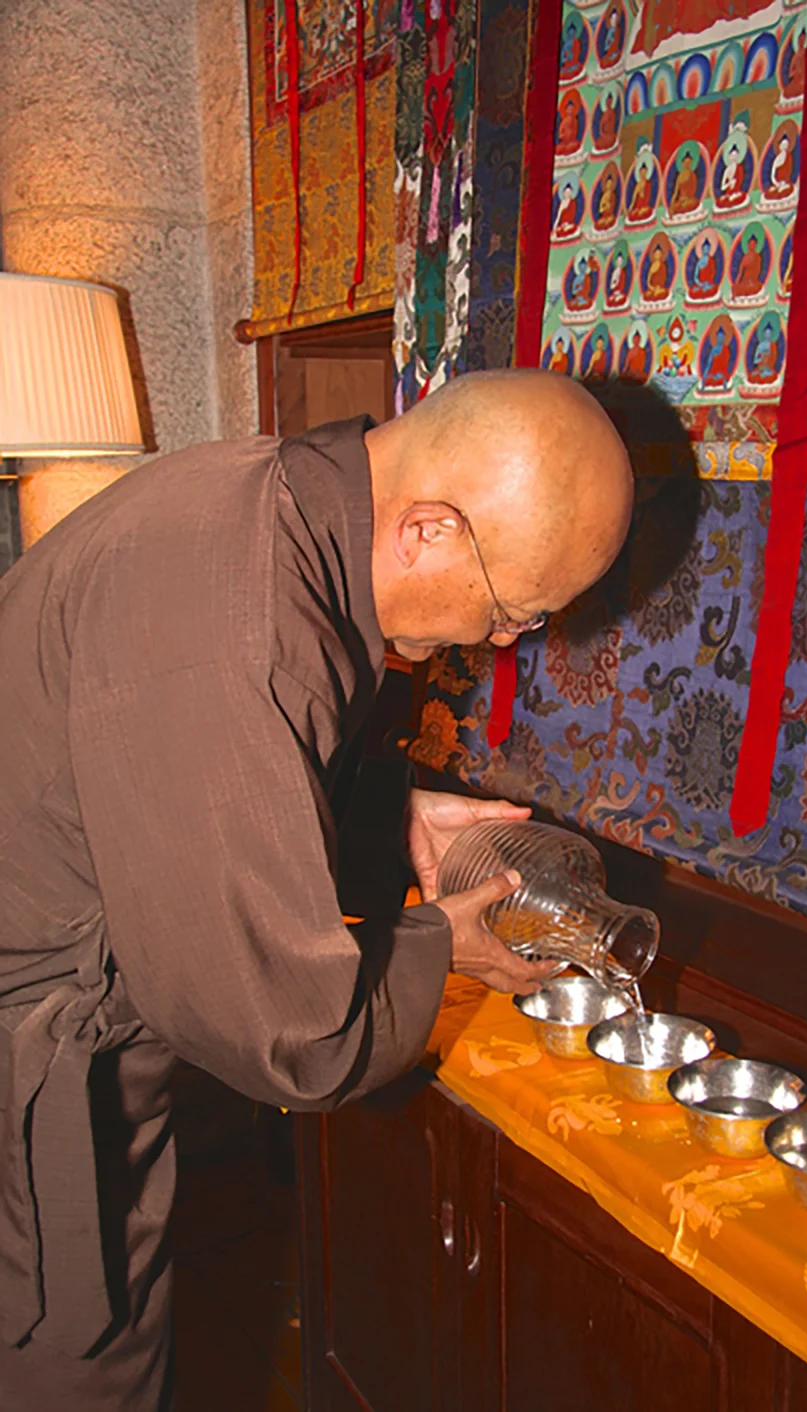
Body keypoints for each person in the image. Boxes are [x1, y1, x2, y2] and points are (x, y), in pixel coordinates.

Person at [0, 368, 634, 1410]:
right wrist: (446, 947)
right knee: (75, 1370)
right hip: (30, 1072)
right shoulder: (235, 625)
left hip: (91, 1024)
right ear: (427, 530)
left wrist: (388, 816)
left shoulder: (277, 501)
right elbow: (284, 1028)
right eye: (515, 607)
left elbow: (189, 783)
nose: (503, 640)